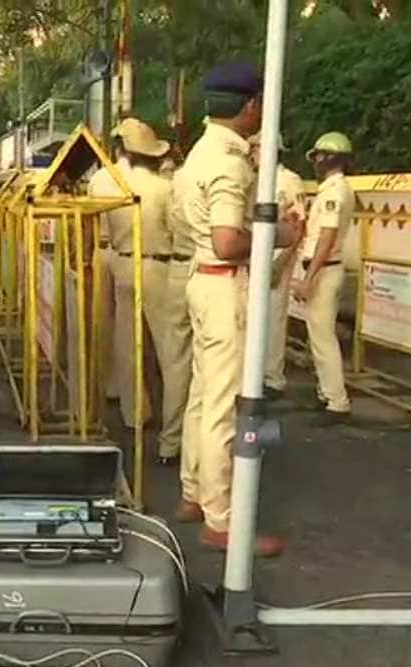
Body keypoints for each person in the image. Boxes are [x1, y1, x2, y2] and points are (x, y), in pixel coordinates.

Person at [170, 61, 295, 556]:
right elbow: (228, 241)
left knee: (203, 396)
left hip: (202, 280)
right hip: (225, 285)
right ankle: (222, 519)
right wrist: (281, 234)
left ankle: (194, 492)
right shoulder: (229, 163)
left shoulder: (198, 155)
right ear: (251, 106)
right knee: (224, 406)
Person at [96, 118, 186, 465]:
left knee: (127, 344)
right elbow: (177, 231)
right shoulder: (165, 188)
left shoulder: (105, 182)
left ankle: (135, 415)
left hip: (122, 262)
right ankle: (173, 434)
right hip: (157, 265)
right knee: (170, 351)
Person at [294, 131, 356, 423]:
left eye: (319, 156)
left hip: (325, 268)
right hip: (325, 267)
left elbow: (327, 237)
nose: (316, 161)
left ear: (331, 158)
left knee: (323, 340)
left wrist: (310, 278)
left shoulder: (334, 191)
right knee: (319, 337)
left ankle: (336, 401)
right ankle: (327, 393)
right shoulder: (333, 189)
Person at [89, 118, 149, 417]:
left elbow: (89, 221)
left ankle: (110, 383)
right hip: (134, 254)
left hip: (102, 251)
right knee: (132, 332)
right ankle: (133, 400)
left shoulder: (100, 178)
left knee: (105, 323)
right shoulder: (146, 180)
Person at [251, 132, 308, 400]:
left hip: (277, 255)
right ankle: (256, 373)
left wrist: (281, 262)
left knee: (273, 316)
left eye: (256, 148)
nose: (252, 153)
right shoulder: (256, 179)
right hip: (255, 255)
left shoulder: (289, 181)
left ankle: (273, 378)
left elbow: (298, 225)